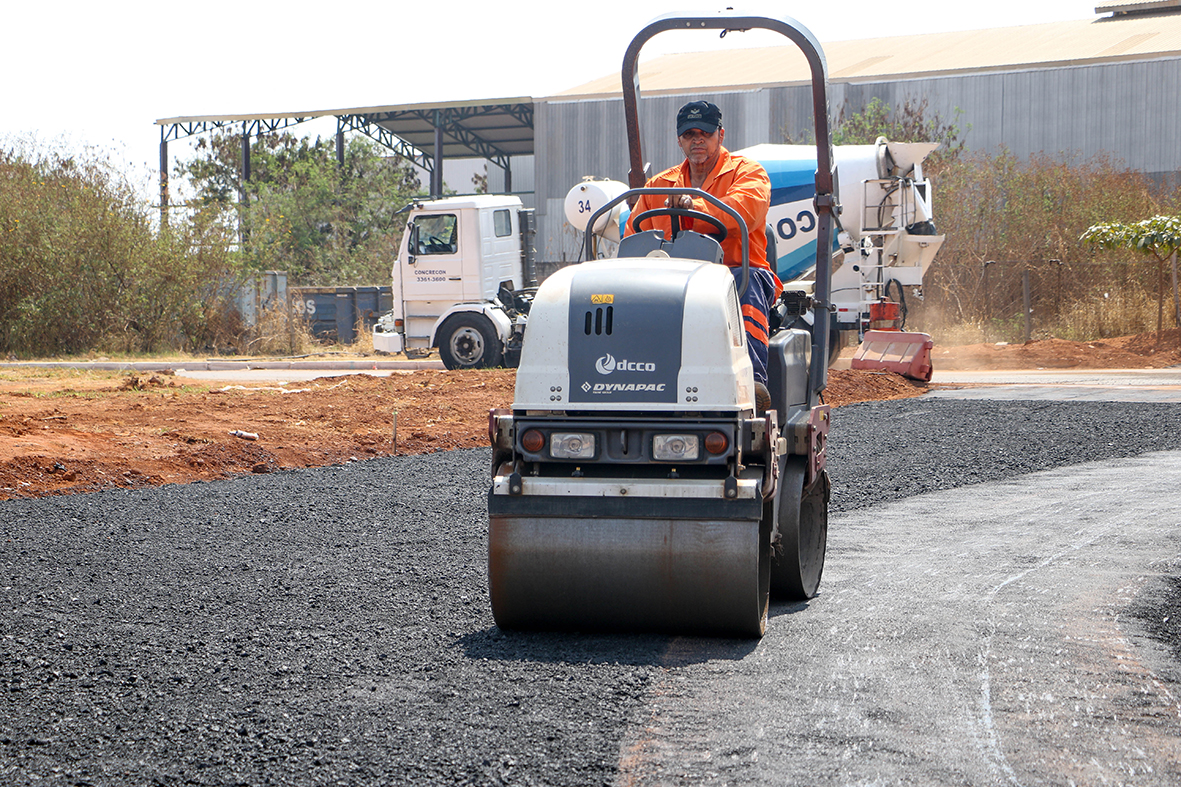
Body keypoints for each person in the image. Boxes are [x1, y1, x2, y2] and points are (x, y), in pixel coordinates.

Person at [624, 100, 780, 396]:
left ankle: (751, 385)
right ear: (679, 140)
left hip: (736, 271)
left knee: (743, 284)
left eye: (705, 133)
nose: (697, 140)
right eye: (689, 134)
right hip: (672, 279)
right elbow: (633, 236)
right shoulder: (658, 186)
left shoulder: (747, 173)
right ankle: (631, 382)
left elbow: (744, 210)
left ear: (720, 135)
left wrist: (694, 208)